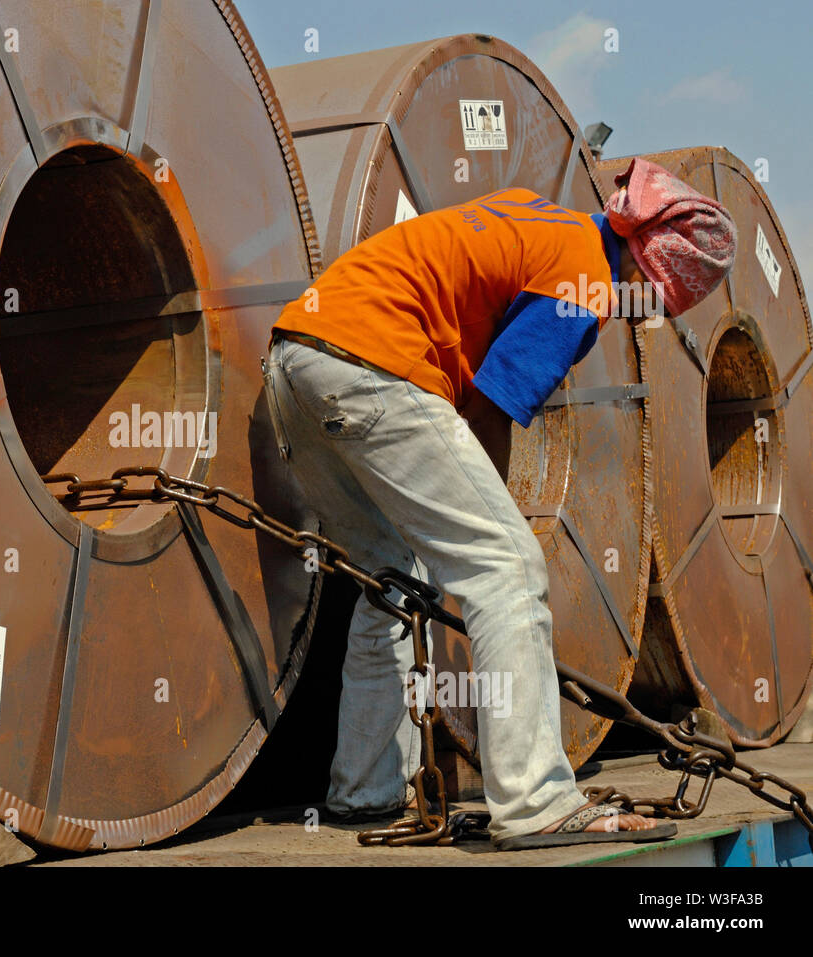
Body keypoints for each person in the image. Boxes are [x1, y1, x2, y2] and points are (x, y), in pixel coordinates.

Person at [265, 158, 737, 849]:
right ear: (645, 268)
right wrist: (493, 533)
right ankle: (537, 801)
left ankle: (363, 793)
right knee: (507, 565)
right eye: (653, 299)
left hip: (296, 361)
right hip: (374, 365)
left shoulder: (540, 218)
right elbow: (490, 407)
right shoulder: (585, 282)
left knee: (396, 580)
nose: (642, 311)